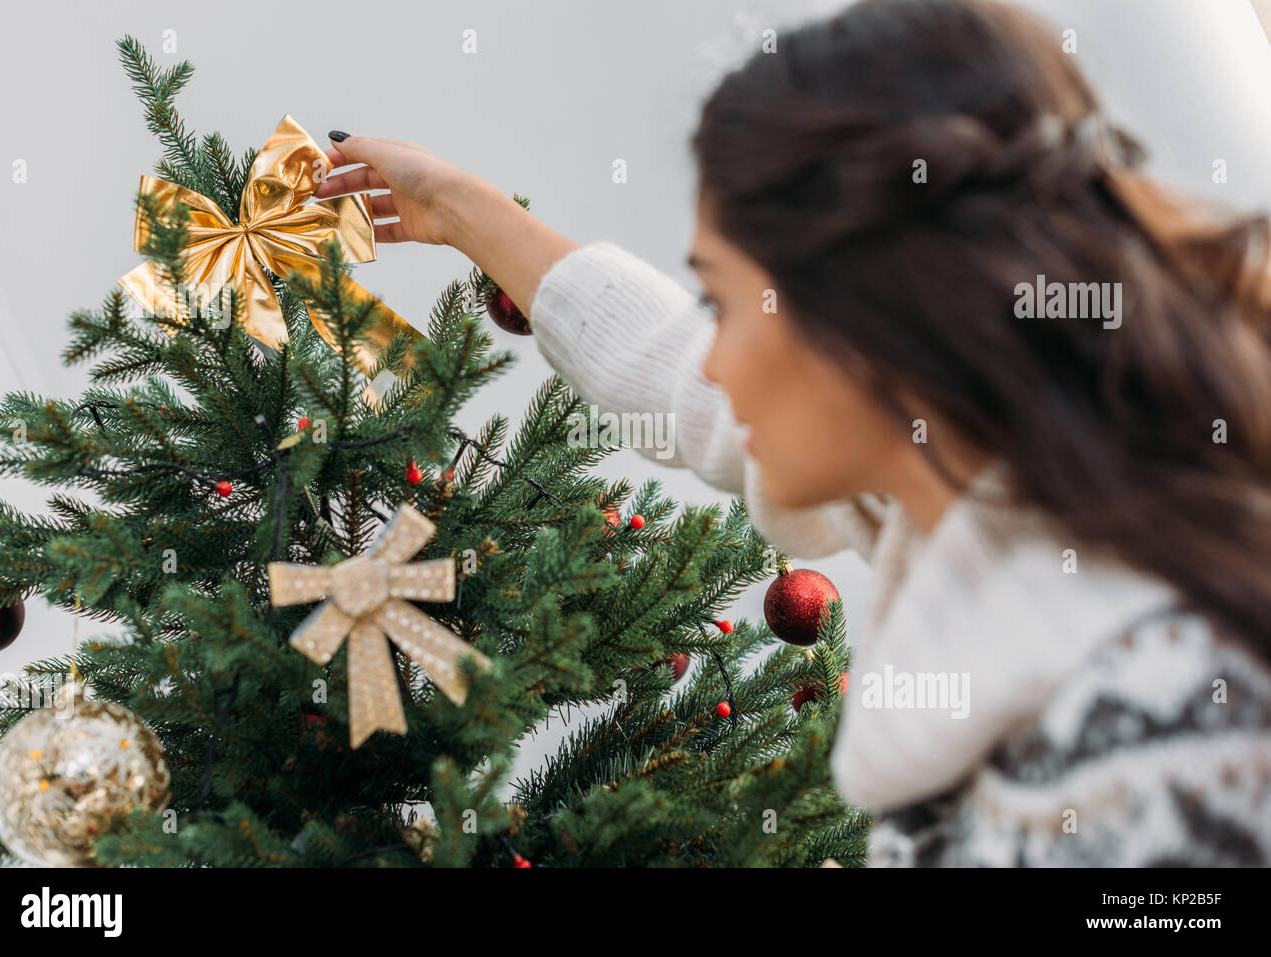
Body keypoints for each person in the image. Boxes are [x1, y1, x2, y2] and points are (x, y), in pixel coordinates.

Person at [314, 0, 1271, 865]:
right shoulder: (974, 505)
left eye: (726, 300)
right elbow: (684, 379)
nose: (719, 360)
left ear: (867, 318)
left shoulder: (1168, 732)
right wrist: (456, 209)